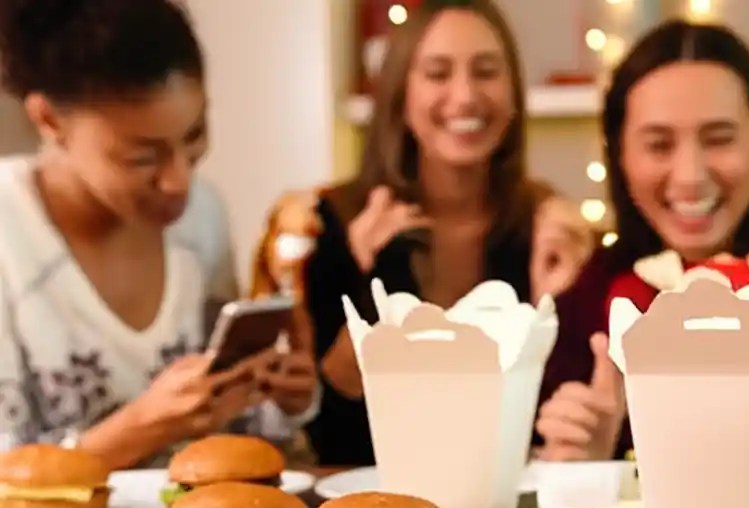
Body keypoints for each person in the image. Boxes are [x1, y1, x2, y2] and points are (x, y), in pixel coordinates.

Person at [249, 0, 594, 466]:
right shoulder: (330, 224)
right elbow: (326, 436)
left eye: (487, 71)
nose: (465, 95)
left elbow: (559, 419)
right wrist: (359, 280)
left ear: (513, 92)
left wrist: (558, 301)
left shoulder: (546, 225)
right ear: (400, 94)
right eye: (437, 73)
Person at [533, 20, 749, 462]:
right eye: (659, 145)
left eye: (719, 139)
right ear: (620, 153)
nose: (691, 177)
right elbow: (559, 457)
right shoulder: (593, 294)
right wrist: (590, 452)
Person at [0, 0, 318, 470]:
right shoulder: (11, 232)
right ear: (49, 120)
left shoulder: (202, 216)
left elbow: (231, 428)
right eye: (142, 158)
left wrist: (282, 396)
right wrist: (136, 430)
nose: (178, 182)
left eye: (194, 137)